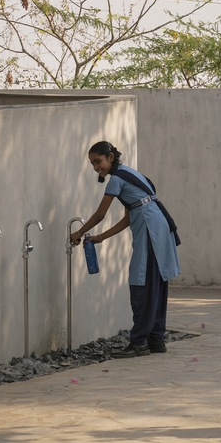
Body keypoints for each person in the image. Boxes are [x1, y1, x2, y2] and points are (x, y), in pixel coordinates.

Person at [68, 140, 181, 358]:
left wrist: (79, 233)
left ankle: (139, 342)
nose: (95, 167)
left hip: (151, 228)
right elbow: (128, 217)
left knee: (142, 282)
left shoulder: (117, 179)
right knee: (156, 281)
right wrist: (100, 237)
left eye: (98, 161)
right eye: (92, 163)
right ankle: (155, 339)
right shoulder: (131, 173)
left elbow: (101, 214)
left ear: (110, 157)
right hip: (159, 225)